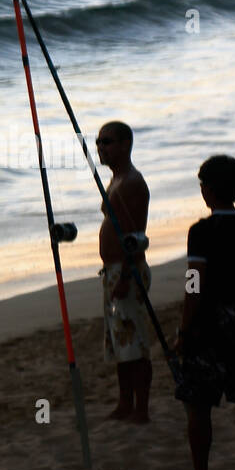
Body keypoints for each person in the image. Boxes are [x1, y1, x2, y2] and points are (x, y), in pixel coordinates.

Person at [172, 155, 235, 470]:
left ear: (210, 190)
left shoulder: (201, 232)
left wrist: (184, 330)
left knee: (199, 406)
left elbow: (193, 283)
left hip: (209, 329)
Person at [96, 121, 153, 422]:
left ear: (125, 144)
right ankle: (124, 402)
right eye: (98, 142)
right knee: (120, 342)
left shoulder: (132, 182)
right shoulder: (116, 179)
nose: (100, 148)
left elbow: (137, 236)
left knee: (135, 341)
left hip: (126, 272)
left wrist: (128, 276)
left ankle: (141, 407)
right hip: (113, 271)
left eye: (107, 142)